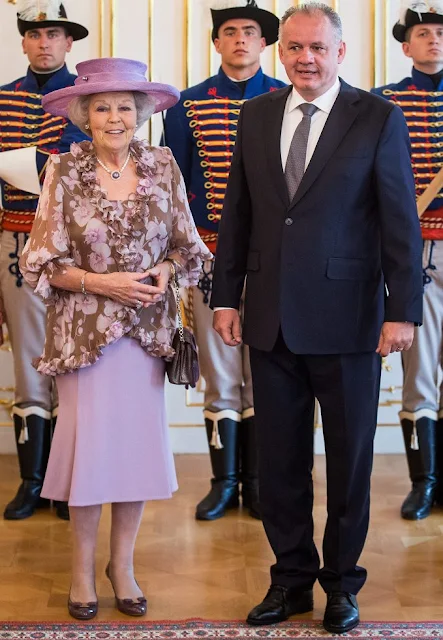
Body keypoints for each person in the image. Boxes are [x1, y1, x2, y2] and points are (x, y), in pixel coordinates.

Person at [211, 3, 423, 634]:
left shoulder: (379, 117)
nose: (306, 58)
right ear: (282, 53)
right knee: (279, 466)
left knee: (350, 463)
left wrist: (402, 311)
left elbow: (399, 222)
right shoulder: (255, 116)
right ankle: (290, 582)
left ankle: (341, 586)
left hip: (352, 321)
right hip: (270, 319)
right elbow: (237, 215)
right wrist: (226, 297)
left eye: (318, 48)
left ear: (341, 52)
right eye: (295, 47)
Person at [19, 57, 212, 620]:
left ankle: (121, 566)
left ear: (141, 113)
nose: (114, 117)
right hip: (84, 335)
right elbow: (43, 260)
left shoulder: (164, 164)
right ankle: (81, 570)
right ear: (83, 113)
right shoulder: (63, 169)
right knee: (91, 456)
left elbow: (185, 246)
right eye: (101, 106)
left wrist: (163, 273)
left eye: (125, 106)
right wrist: (104, 283)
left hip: (147, 335)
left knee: (133, 456)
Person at [163, 0, 286, 522]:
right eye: (230, 32)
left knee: (263, 369)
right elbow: (174, 187)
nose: (240, 40)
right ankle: (224, 482)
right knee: (219, 369)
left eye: (250, 32)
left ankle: (258, 483)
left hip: (270, 255)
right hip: (209, 251)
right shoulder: (187, 105)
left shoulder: (287, 100)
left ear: (265, 43)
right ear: (216, 42)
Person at [0, 0, 89, 521]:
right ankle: (33, 480)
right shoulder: (3, 99)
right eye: (35, 34)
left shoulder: (83, 98)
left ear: (68, 41)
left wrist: (22, 164)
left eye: (53, 33)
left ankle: (67, 481)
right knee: (30, 362)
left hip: (73, 247)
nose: (44, 43)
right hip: (13, 240)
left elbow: (84, 164)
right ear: (23, 41)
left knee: (74, 363)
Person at [372, 1, 443, 521]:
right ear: (406, 45)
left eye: (441, 33)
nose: (434, 40)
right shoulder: (384, 104)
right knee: (419, 369)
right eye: (424, 33)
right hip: (414, 246)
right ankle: (425, 482)